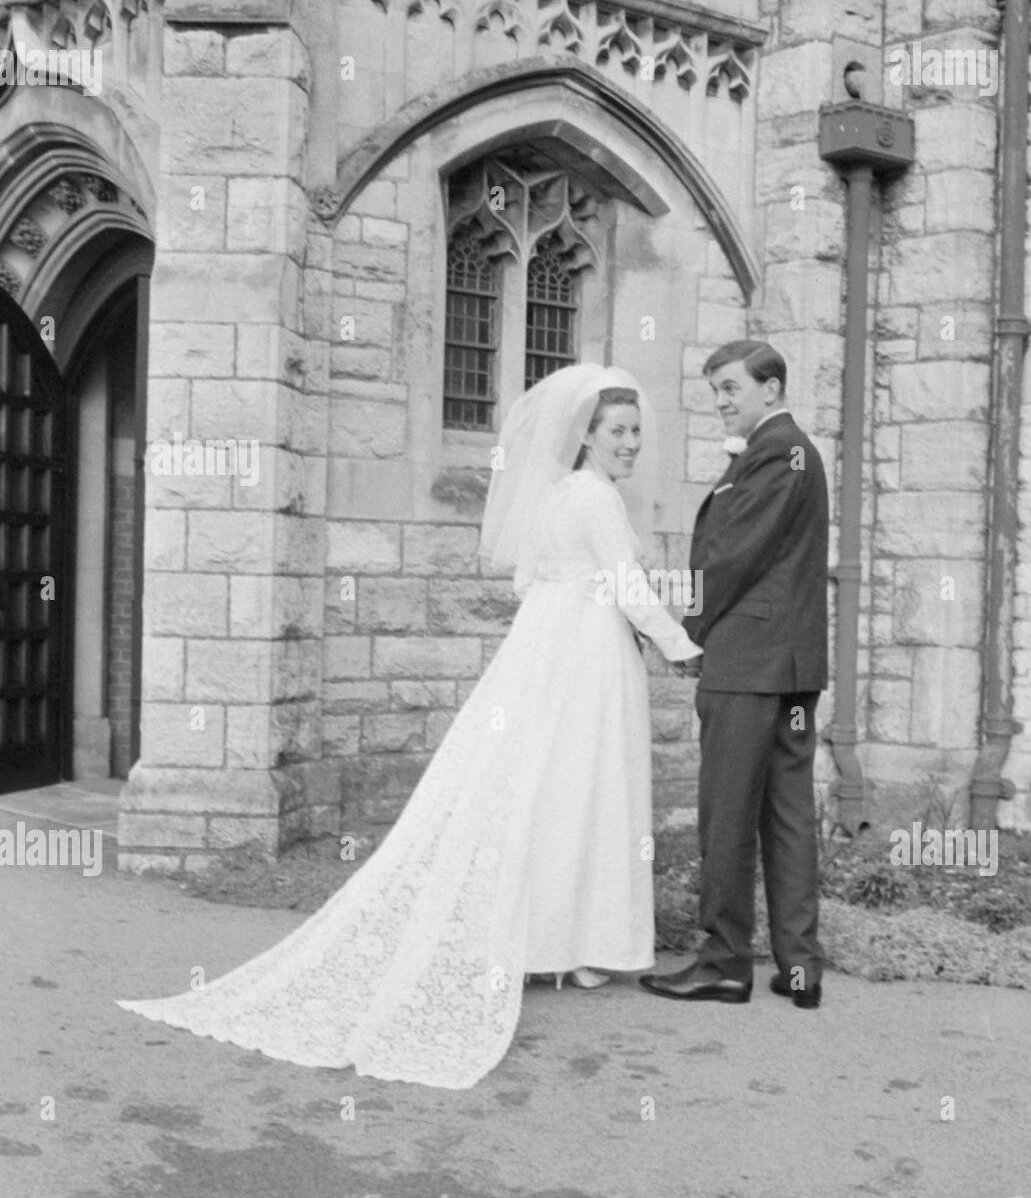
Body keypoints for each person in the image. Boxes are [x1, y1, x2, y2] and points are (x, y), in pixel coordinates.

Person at [117, 364, 702, 1088]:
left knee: (546, 786)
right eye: (617, 431)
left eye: (636, 431)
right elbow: (623, 585)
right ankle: (570, 941)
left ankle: (553, 939)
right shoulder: (596, 499)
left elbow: (531, 581)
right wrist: (682, 645)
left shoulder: (559, 495)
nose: (631, 443)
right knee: (580, 784)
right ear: (584, 436)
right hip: (582, 658)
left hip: (545, 648)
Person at [639, 341, 829, 1008]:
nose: (720, 401)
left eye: (729, 388)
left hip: (748, 661)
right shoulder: (786, 451)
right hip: (789, 665)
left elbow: (730, 556)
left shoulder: (777, 451)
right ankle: (798, 967)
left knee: (726, 814)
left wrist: (688, 633)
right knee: (786, 814)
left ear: (770, 389)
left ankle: (723, 961)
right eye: (715, 390)